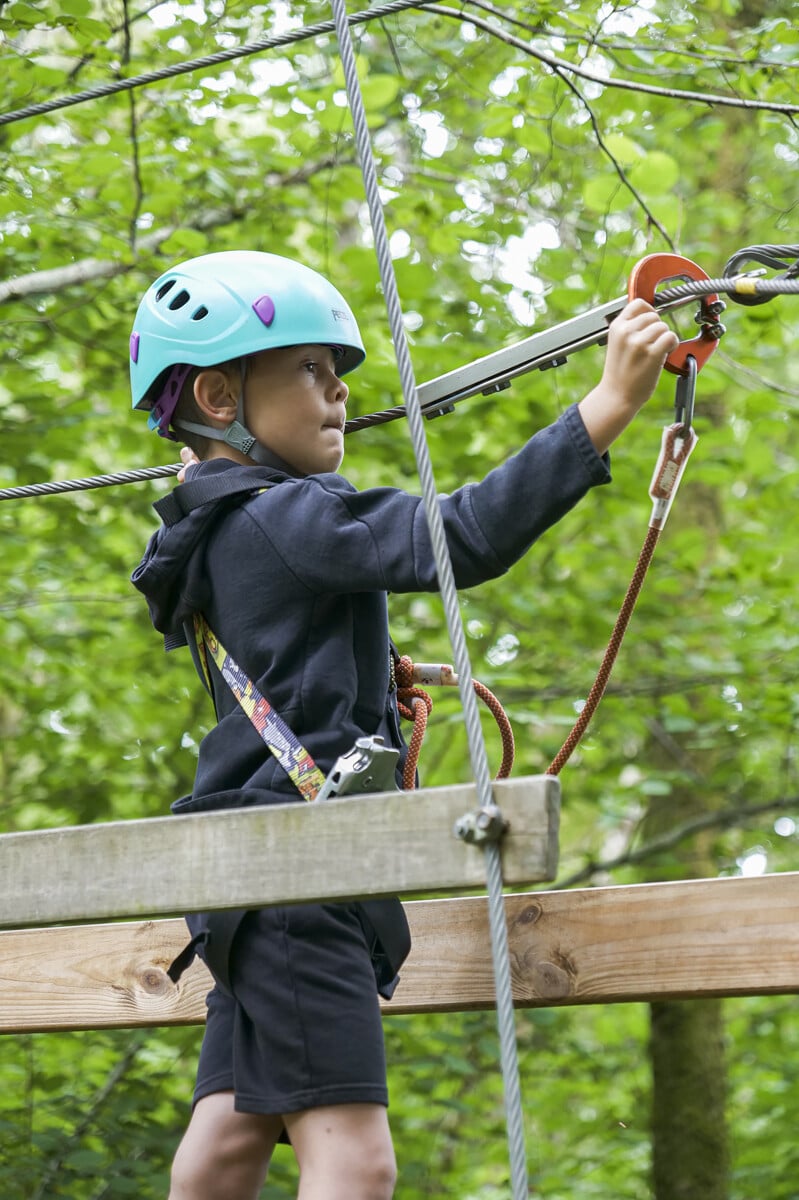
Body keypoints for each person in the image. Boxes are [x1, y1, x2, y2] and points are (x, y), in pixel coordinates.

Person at [129, 249, 679, 1200]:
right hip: (303, 883)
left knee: (225, 1143)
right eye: (309, 369)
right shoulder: (286, 517)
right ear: (219, 398)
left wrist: (374, 680)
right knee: (356, 1162)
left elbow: (284, 677)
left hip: (244, 883)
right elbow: (459, 535)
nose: (338, 392)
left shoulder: (218, 535)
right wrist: (607, 406)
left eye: (337, 373)